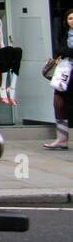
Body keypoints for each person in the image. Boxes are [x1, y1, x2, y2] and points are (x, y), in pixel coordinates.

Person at [46, 8, 73, 150]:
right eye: (70, 18)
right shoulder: (65, 34)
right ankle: (62, 139)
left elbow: (64, 50)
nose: (72, 21)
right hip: (65, 72)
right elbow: (58, 50)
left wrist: (65, 51)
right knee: (58, 102)